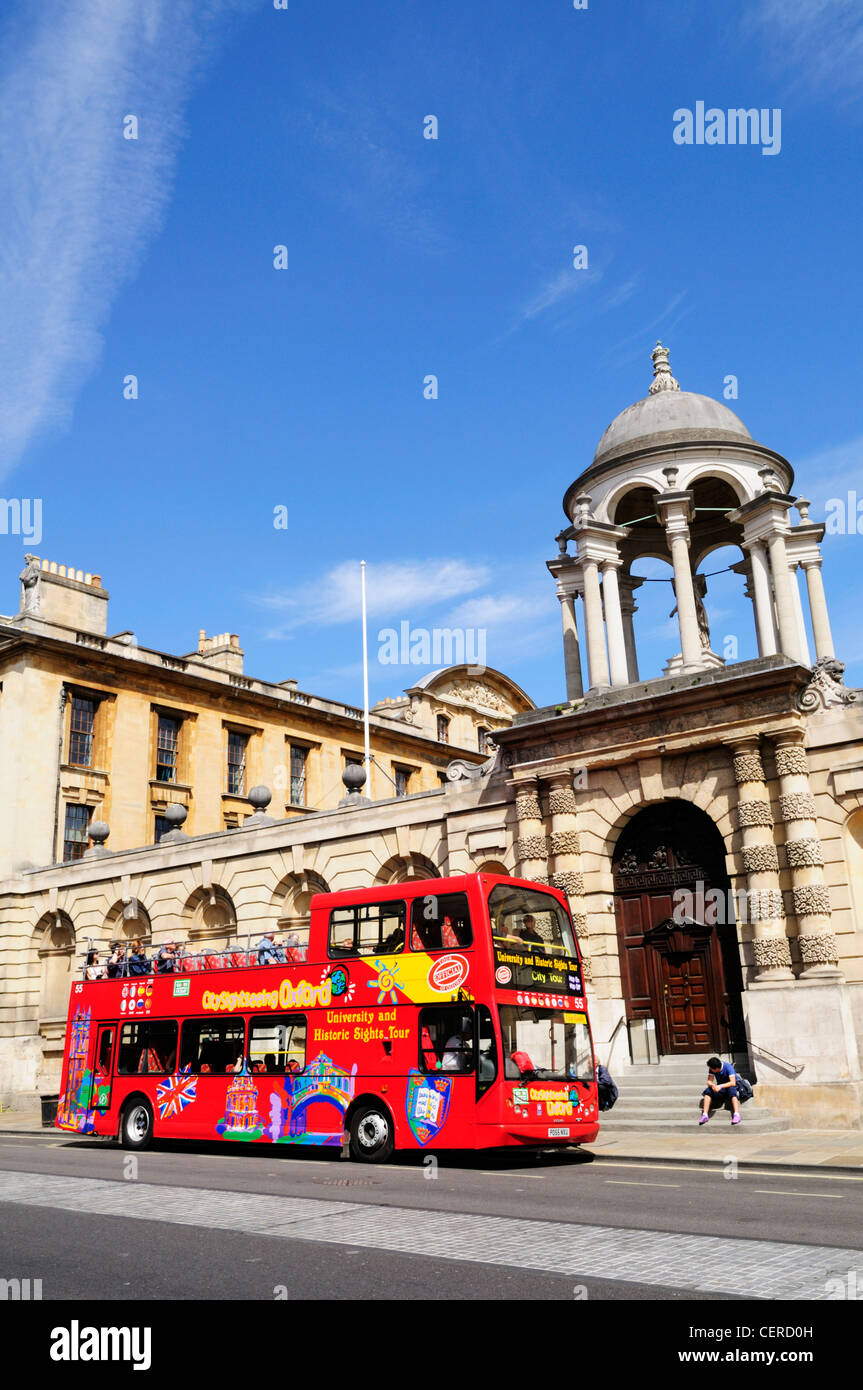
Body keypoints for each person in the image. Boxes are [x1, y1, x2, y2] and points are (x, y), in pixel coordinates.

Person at [699, 1055, 741, 1125]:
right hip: (721, 1088)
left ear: (716, 1069)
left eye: (711, 1069)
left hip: (731, 1086)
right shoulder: (712, 1068)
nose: (710, 1069)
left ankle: (736, 1114)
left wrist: (720, 1086)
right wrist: (713, 1085)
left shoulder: (728, 1067)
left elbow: (733, 1083)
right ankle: (705, 1115)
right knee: (708, 1091)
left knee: (732, 1090)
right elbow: (709, 1081)